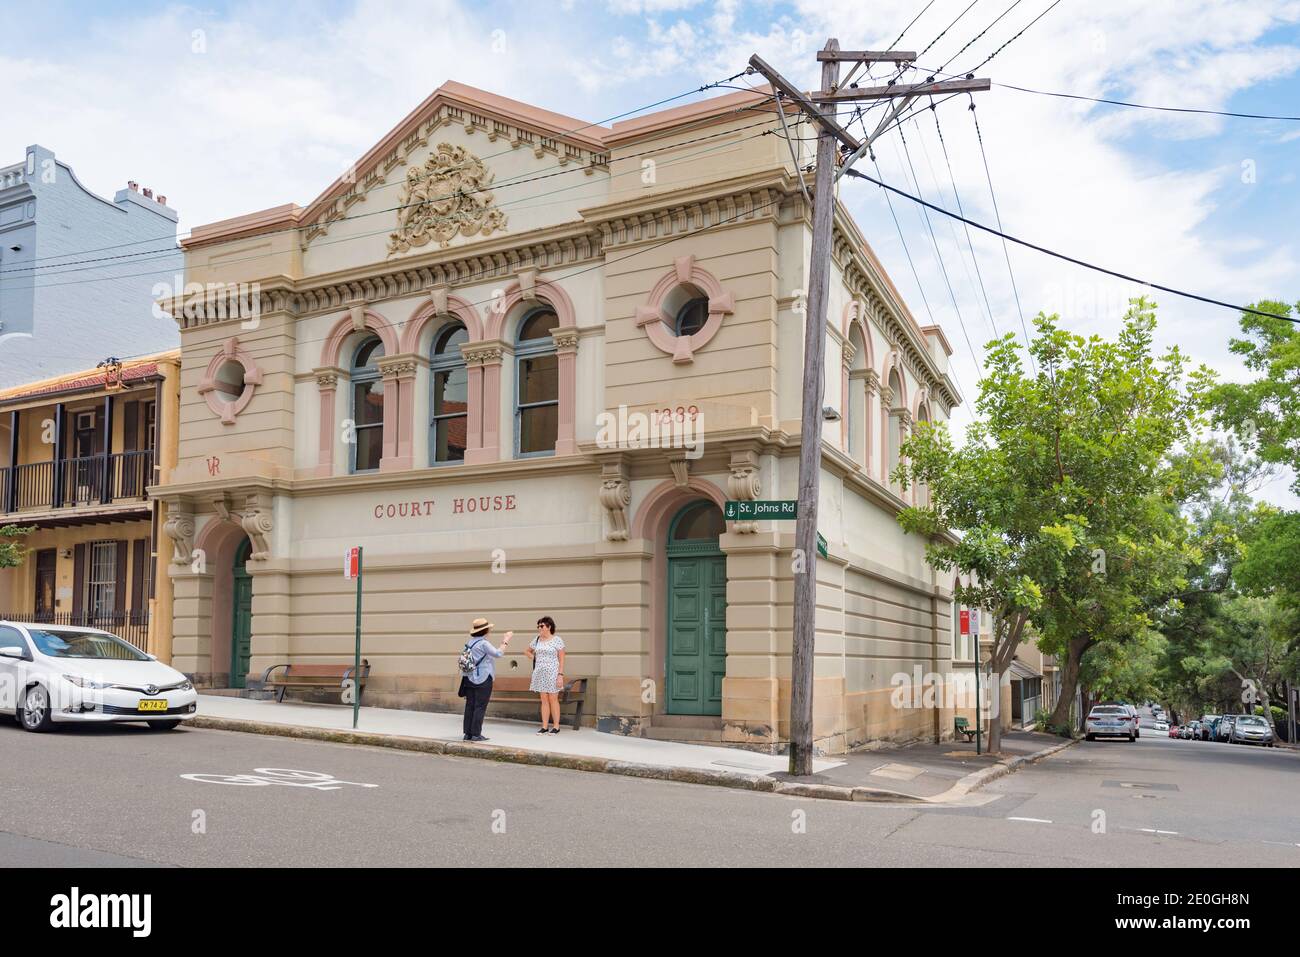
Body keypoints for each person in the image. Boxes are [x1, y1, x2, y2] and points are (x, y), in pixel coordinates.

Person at [459, 617, 511, 741]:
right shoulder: (483, 643)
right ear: (485, 630)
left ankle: (468, 734)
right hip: (483, 678)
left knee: (470, 705)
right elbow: (498, 654)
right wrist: (506, 640)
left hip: (469, 677)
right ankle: (476, 734)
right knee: (480, 706)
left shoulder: (470, 642)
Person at [525, 615, 566, 733]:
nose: (539, 628)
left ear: (549, 627)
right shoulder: (537, 639)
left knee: (553, 698)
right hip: (540, 673)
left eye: (542, 625)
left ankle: (556, 726)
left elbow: (562, 658)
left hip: (553, 673)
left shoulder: (557, 640)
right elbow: (526, 651)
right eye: (538, 626)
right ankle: (544, 726)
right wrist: (535, 658)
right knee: (544, 699)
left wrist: (560, 675)